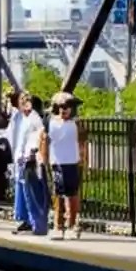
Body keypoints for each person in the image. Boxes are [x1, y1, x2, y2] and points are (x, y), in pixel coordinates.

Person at [7, 91, 46, 234]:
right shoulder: (21, 118)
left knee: (32, 193)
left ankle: (35, 223)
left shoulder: (34, 120)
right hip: (22, 160)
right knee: (24, 192)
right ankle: (27, 220)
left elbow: (37, 140)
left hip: (31, 161)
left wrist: (31, 154)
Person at [48, 93, 82, 240]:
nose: (63, 110)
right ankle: (58, 225)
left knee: (72, 194)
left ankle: (72, 224)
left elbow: (82, 143)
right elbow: (44, 140)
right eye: (60, 107)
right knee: (58, 194)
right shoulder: (51, 123)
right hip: (57, 162)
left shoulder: (76, 124)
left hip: (72, 162)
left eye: (67, 107)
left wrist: (83, 159)